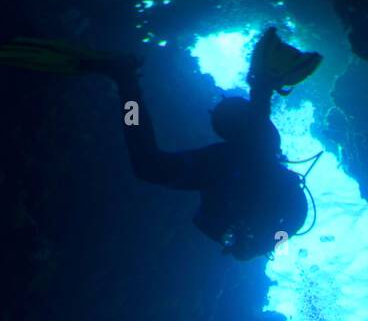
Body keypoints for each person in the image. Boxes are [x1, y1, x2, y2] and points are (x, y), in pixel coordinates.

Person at [0, 28, 322, 261]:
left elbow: (270, 206)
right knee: (153, 165)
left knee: (149, 166)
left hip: (230, 167)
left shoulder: (252, 201)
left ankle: (126, 83)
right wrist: (267, 242)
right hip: (241, 164)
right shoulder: (277, 199)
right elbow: (290, 215)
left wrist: (250, 241)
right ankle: (126, 83)